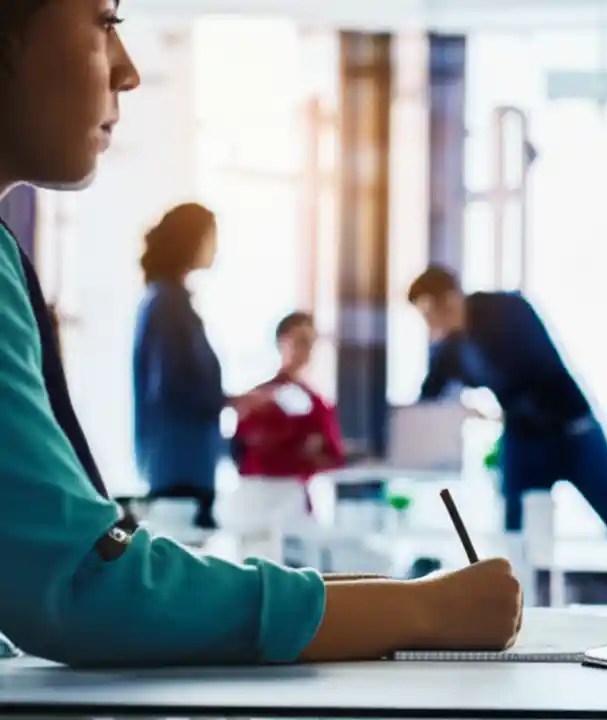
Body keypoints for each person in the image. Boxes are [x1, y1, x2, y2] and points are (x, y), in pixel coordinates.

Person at [0, 0, 520, 667]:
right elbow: (84, 586)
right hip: (179, 470)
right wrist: (421, 610)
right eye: (105, 23)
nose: (127, 72)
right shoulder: (165, 308)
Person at [408, 266, 607, 595]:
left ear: (450, 300)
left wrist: (489, 407)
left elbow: (531, 368)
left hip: (572, 432)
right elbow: (429, 396)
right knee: (516, 542)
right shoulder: (451, 345)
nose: (430, 326)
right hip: (525, 440)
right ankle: (518, 614)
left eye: (429, 314)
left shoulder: (506, 310)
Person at [131, 201, 255, 529]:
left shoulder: (174, 303)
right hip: (179, 465)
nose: (216, 248)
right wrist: (226, 401)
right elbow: (172, 386)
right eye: (211, 237)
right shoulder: (167, 305)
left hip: (185, 462)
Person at [228, 312, 344, 532]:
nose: (305, 350)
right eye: (299, 341)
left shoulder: (318, 405)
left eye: (310, 343)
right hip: (256, 498)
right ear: (282, 342)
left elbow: (332, 455)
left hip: (293, 499)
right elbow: (241, 448)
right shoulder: (257, 400)